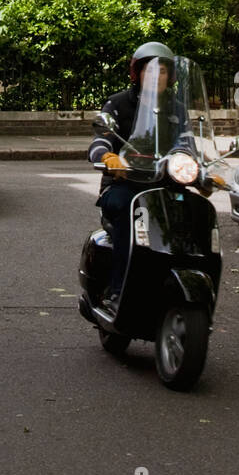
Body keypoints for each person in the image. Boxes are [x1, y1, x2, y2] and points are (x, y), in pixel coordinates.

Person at [88, 41, 176, 312]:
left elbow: (187, 146)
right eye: (149, 71)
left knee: (195, 217)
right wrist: (107, 157)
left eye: (162, 71)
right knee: (134, 216)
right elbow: (98, 142)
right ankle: (117, 292)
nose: (156, 77)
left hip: (165, 188)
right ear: (137, 74)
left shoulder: (176, 108)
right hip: (123, 187)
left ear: (170, 76)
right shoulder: (117, 104)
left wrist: (203, 172)